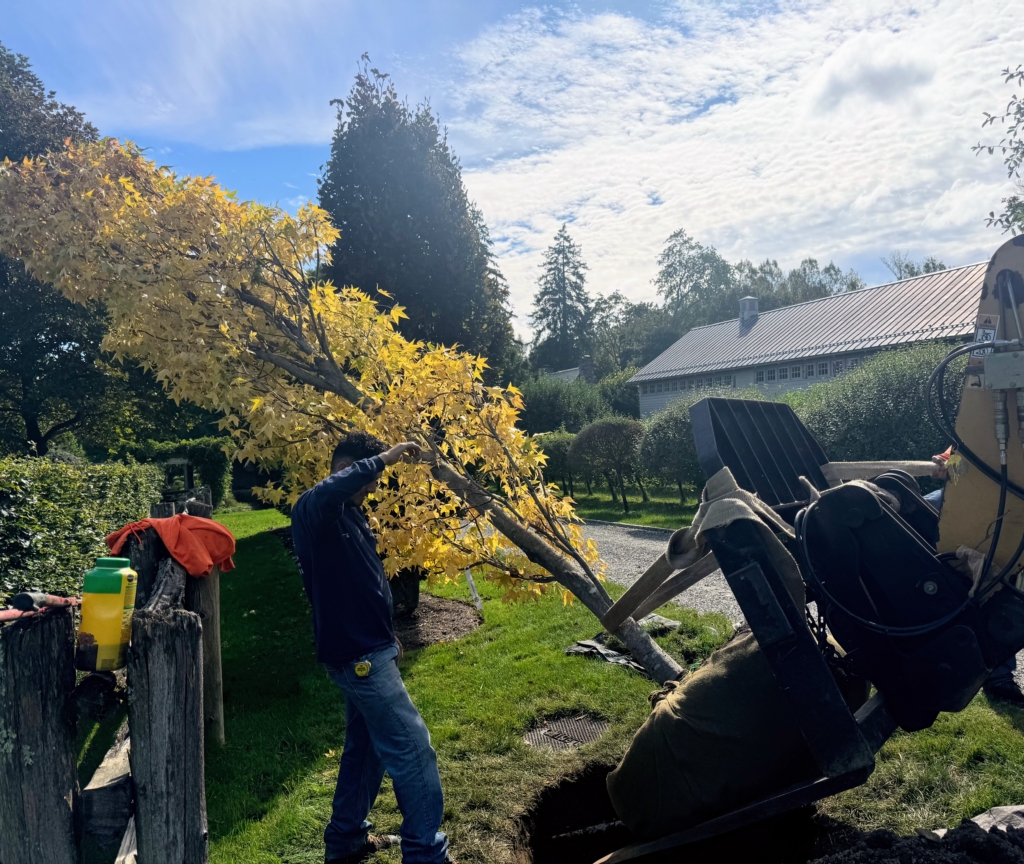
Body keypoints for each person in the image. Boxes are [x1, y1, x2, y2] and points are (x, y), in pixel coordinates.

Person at [291, 432, 455, 864]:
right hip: (358, 658)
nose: (370, 489)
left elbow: (360, 582)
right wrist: (388, 456)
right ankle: (426, 854)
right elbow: (336, 487)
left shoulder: (348, 513)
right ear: (346, 471)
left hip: (369, 648)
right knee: (412, 748)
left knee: (366, 750)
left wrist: (387, 634)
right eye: (364, 480)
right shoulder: (314, 509)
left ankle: (346, 841)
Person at [924, 449, 1024, 705]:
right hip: (972, 498)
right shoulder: (992, 413)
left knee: (1002, 585)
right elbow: (964, 455)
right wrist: (948, 463)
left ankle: (998, 675)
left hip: (1011, 509)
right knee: (917, 522)